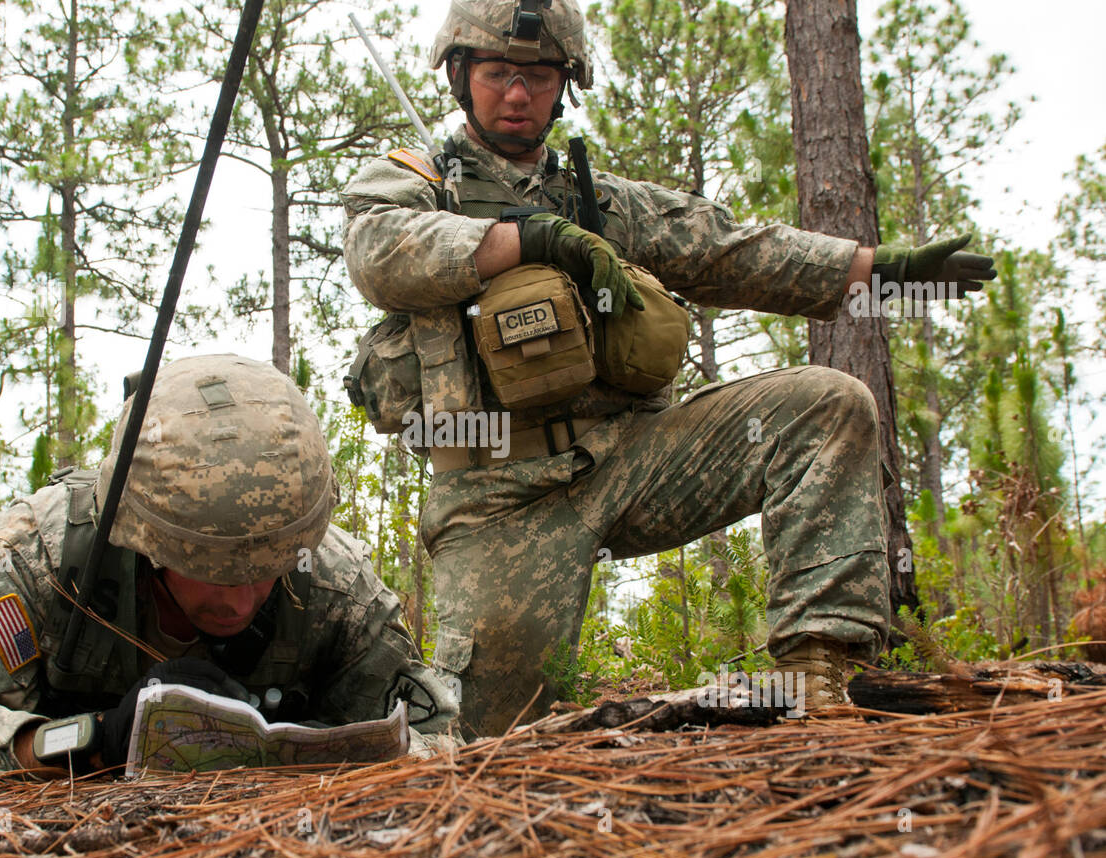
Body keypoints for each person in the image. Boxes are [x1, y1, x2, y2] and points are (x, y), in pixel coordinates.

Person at [340, 0, 995, 737]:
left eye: (539, 76)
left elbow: (731, 250)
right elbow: (382, 251)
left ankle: (819, 676)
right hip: (499, 493)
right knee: (488, 741)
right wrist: (532, 240)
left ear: (567, 84)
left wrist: (881, 271)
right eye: (497, 73)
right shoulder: (414, 182)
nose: (518, 95)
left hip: (636, 459)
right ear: (461, 77)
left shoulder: (603, 200)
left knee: (827, 404)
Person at [0, 354, 458, 788]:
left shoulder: (334, 585)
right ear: (144, 543)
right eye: (215, 570)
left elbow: (439, 736)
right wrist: (94, 739)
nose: (243, 599)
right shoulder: (40, 559)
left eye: (268, 568)